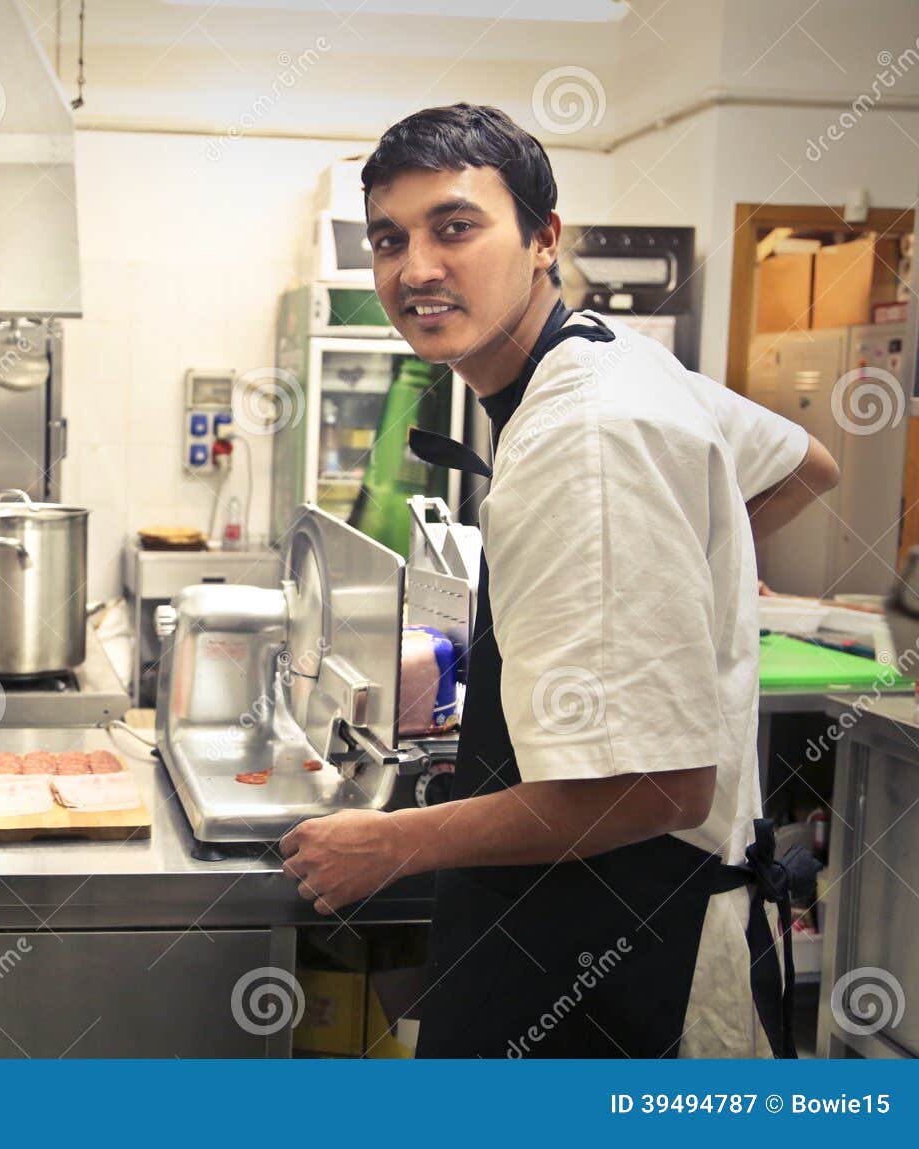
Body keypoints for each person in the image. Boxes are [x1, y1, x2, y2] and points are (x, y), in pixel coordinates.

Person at [278, 103, 842, 1058]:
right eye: (390, 239)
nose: (416, 268)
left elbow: (657, 788)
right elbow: (807, 462)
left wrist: (394, 842)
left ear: (544, 239)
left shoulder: (588, 429)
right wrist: (672, 575)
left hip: (625, 954)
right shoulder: (610, 356)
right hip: (580, 911)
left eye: (456, 226)